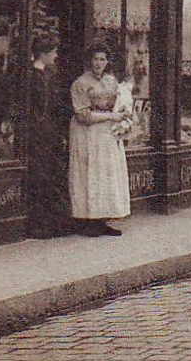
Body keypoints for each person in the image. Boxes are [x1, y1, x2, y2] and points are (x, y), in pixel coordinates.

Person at [68, 44, 131, 237]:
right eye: (95, 59)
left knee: (106, 174)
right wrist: (111, 117)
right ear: (89, 61)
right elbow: (83, 116)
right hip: (87, 133)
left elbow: (118, 105)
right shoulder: (80, 83)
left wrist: (123, 113)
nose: (98, 63)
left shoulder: (111, 81)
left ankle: (104, 219)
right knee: (90, 173)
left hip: (106, 134)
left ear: (107, 62)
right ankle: (89, 220)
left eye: (102, 59)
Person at [22, 32, 72, 238]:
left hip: (49, 134)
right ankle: (39, 225)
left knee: (51, 176)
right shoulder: (31, 76)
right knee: (40, 177)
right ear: (43, 53)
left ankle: (53, 223)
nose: (56, 55)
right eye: (54, 52)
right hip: (37, 134)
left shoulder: (49, 75)